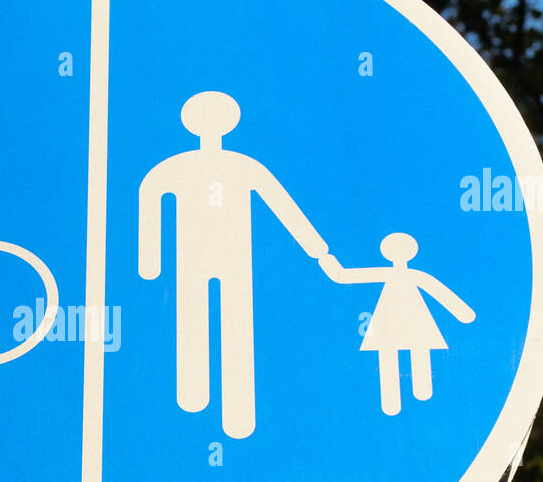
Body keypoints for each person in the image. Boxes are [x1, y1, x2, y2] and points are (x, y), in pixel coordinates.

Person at [139, 91, 331, 439]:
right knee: (208, 320)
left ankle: (217, 403)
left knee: (214, 320)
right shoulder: (231, 166)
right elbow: (150, 196)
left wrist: (149, 263)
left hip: (220, 257)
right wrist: (317, 250)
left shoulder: (202, 166)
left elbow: (149, 196)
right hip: (207, 257)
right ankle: (208, 401)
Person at [319, 233, 475, 415]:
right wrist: (327, 262)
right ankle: (394, 403)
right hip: (393, 318)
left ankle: (418, 396)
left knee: (413, 350)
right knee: (392, 351)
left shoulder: (408, 274)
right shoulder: (408, 274)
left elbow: (343, 275)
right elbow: (343, 276)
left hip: (412, 317)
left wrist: (463, 312)